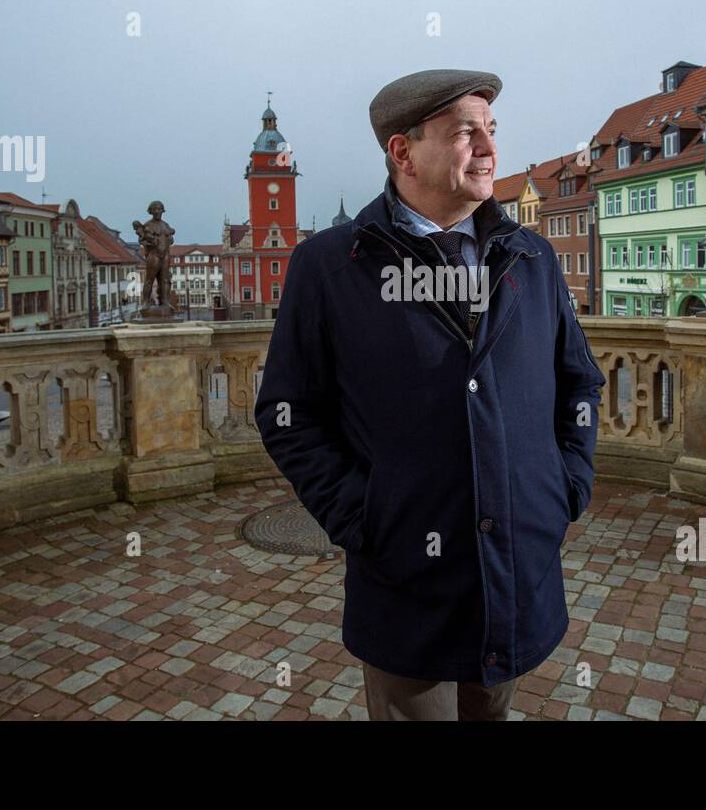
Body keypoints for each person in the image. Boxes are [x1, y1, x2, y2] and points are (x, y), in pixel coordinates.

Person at [254, 68, 606, 720]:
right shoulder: (331, 267)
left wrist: (567, 485)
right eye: (465, 132)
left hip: (516, 574)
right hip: (407, 585)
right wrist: (361, 516)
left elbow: (579, 381)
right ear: (403, 151)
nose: (488, 149)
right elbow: (287, 414)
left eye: (491, 131)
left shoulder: (531, 257)